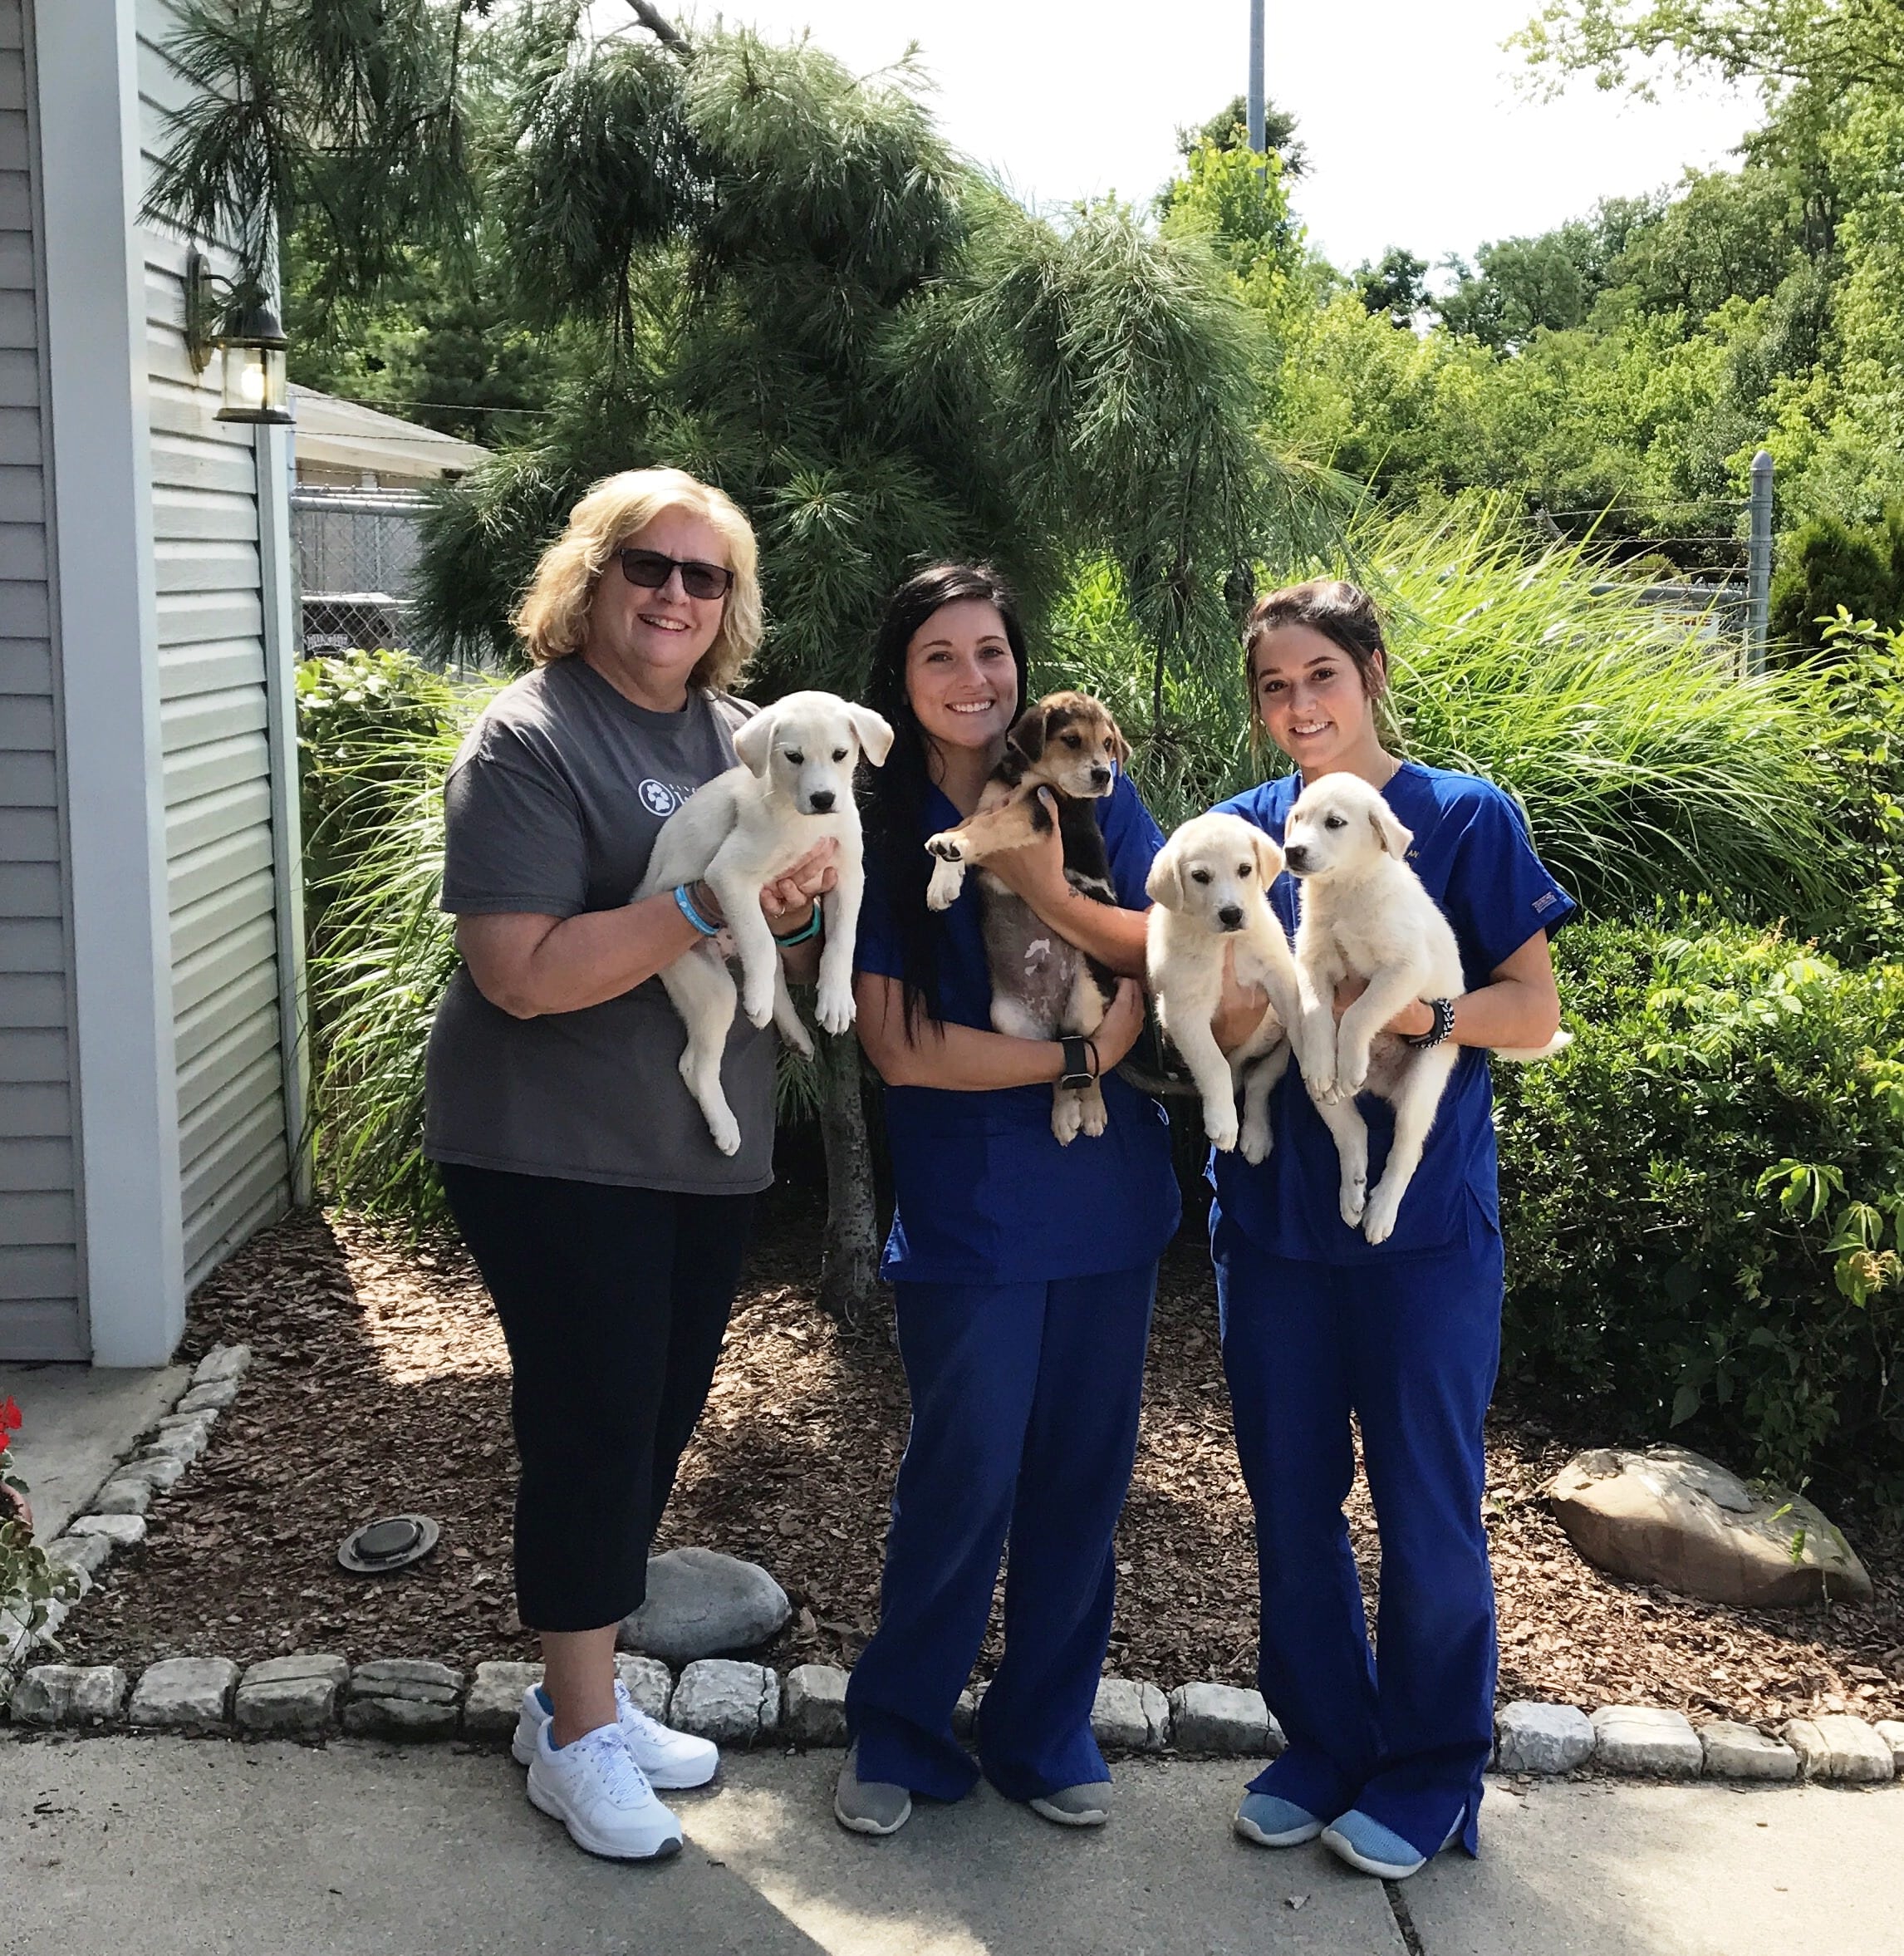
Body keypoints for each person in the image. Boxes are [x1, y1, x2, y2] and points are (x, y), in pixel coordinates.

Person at [423, 467, 837, 1860]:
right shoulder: (532, 737)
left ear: (730, 605)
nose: (673, 595)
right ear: (592, 579)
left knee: (654, 1418)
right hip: (552, 1147)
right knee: (594, 1422)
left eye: (703, 576)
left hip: (694, 1144)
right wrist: (699, 900)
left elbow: (766, 928)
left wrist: (780, 907)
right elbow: (523, 971)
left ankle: (573, 1698)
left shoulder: (750, 734)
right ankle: (580, 1730)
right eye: (646, 567)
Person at [1207, 579, 1574, 1881]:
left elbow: (1528, 1010)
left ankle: (1429, 1771)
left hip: (1423, 1234)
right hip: (1275, 1225)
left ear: (1370, 671)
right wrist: (1251, 1015)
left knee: (1429, 1503)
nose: (1299, 708)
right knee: (1291, 1498)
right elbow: (1226, 1012)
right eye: (1274, 687)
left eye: (1321, 677)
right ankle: (1322, 1745)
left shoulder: (1464, 817)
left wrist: (1414, 1017)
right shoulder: (1252, 837)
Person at [833, 563, 1182, 1838]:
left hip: (1106, 1199)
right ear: (903, 679)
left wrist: (1050, 896)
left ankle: (1043, 1727)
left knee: (1083, 1474)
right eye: (942, 656)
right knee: (963, 1470)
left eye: (994, 651)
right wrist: (1079, 1055)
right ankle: (902, 1726)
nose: (976, 679)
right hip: (973, 1205)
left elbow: (1159, 948)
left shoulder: (1091, 785)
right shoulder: (883, 823)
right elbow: (897, 1043)